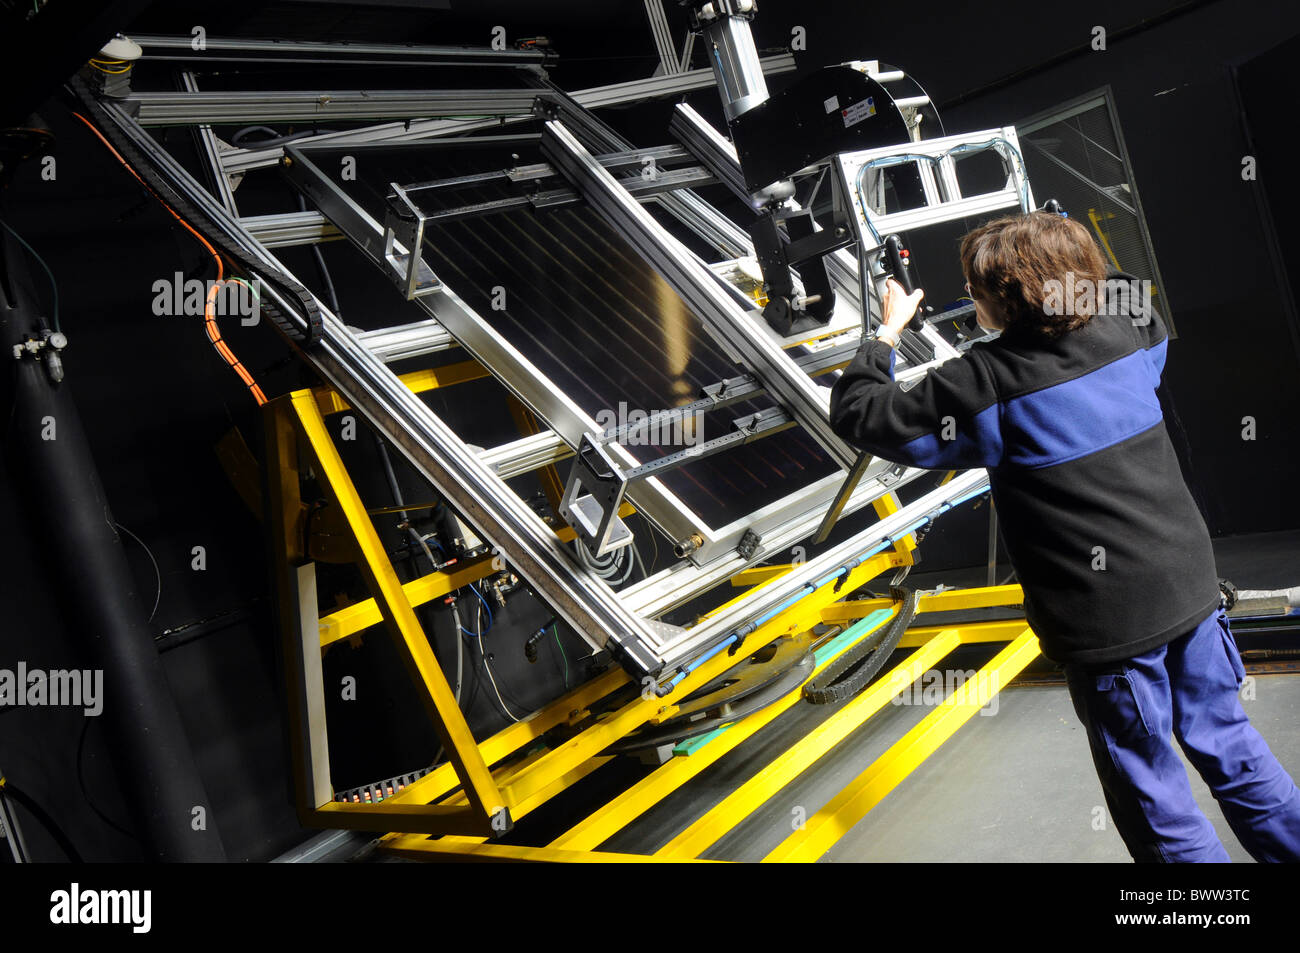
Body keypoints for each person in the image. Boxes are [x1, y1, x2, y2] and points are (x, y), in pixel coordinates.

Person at [828, 210, 1300, 862]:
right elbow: (1127, 285)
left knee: (1154, 796)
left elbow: (863, 413)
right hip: (1189, 590)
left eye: (980, 287)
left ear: (1005, 298)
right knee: (1235, 748)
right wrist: (1059, 241)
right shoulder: (1132, 330)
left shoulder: (983, 384)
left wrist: (885, 332)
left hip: (1111, 631)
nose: (972, 297)